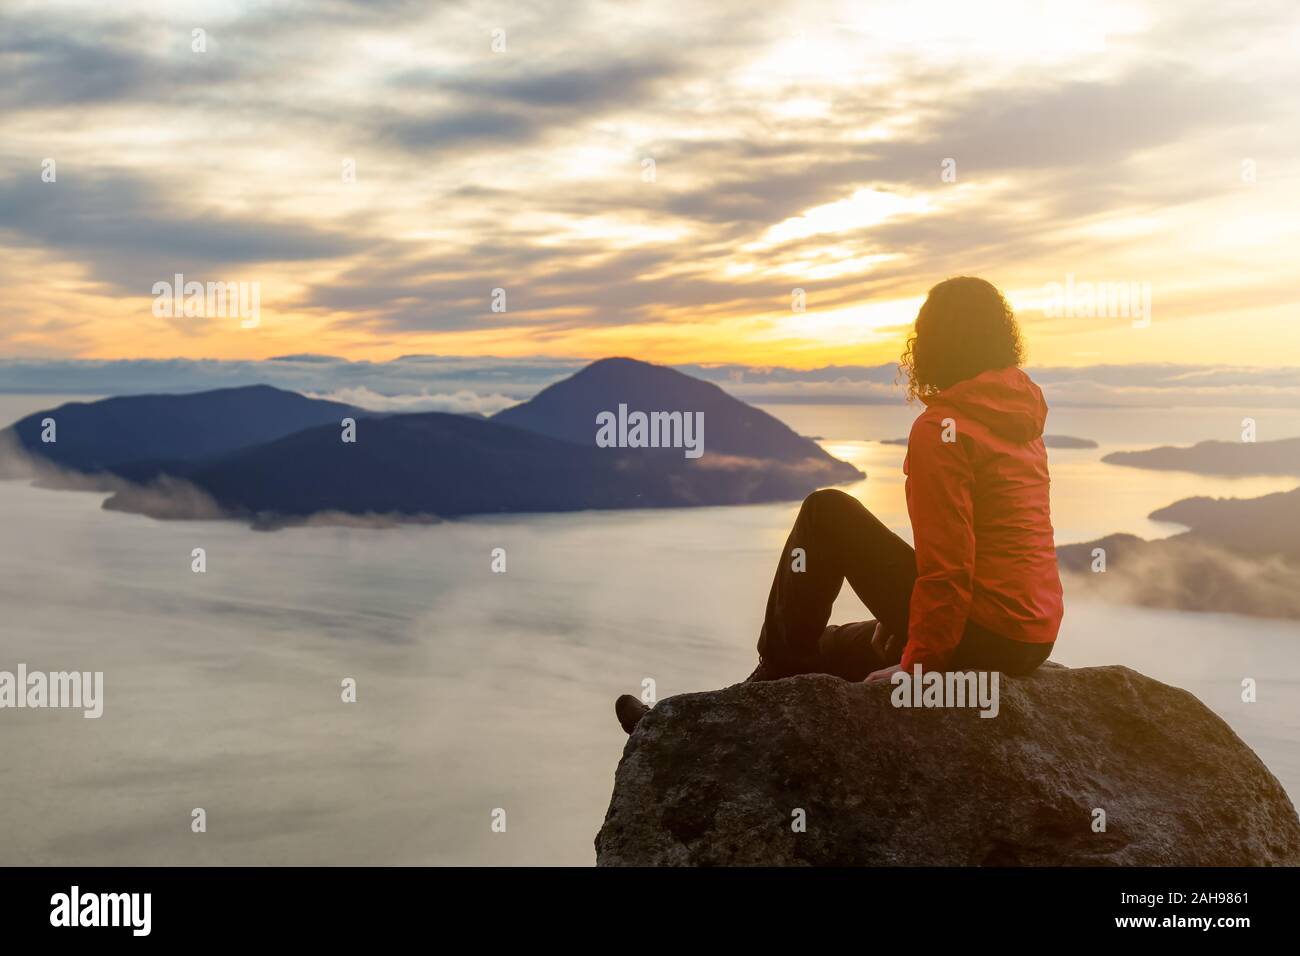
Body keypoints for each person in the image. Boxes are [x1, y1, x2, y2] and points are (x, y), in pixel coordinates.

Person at [615, 277, 1064, 733]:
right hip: (1030, 638)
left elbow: (949, 566)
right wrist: (907, 627)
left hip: (982, 633)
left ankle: (755, 691)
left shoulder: (941, 429)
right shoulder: (1018, 418)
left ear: (933, 344)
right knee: (834, 647)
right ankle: (695, 719)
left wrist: (920, 666)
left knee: (826, 511)